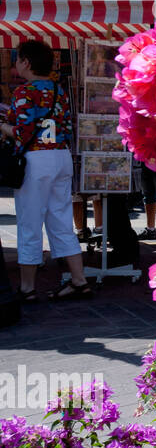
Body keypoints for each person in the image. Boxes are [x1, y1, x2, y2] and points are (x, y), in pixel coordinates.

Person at [0, 41, 90, 300]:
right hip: (60, 156)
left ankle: (27, 287)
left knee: (29, 222)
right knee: (61, 220)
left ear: (26, 62)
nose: (16, 63)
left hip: (35, 160)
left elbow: (21, 132)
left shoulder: (23, 92)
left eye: (17, 59)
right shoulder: (58, 90)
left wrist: (3, 127)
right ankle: (78, 279)